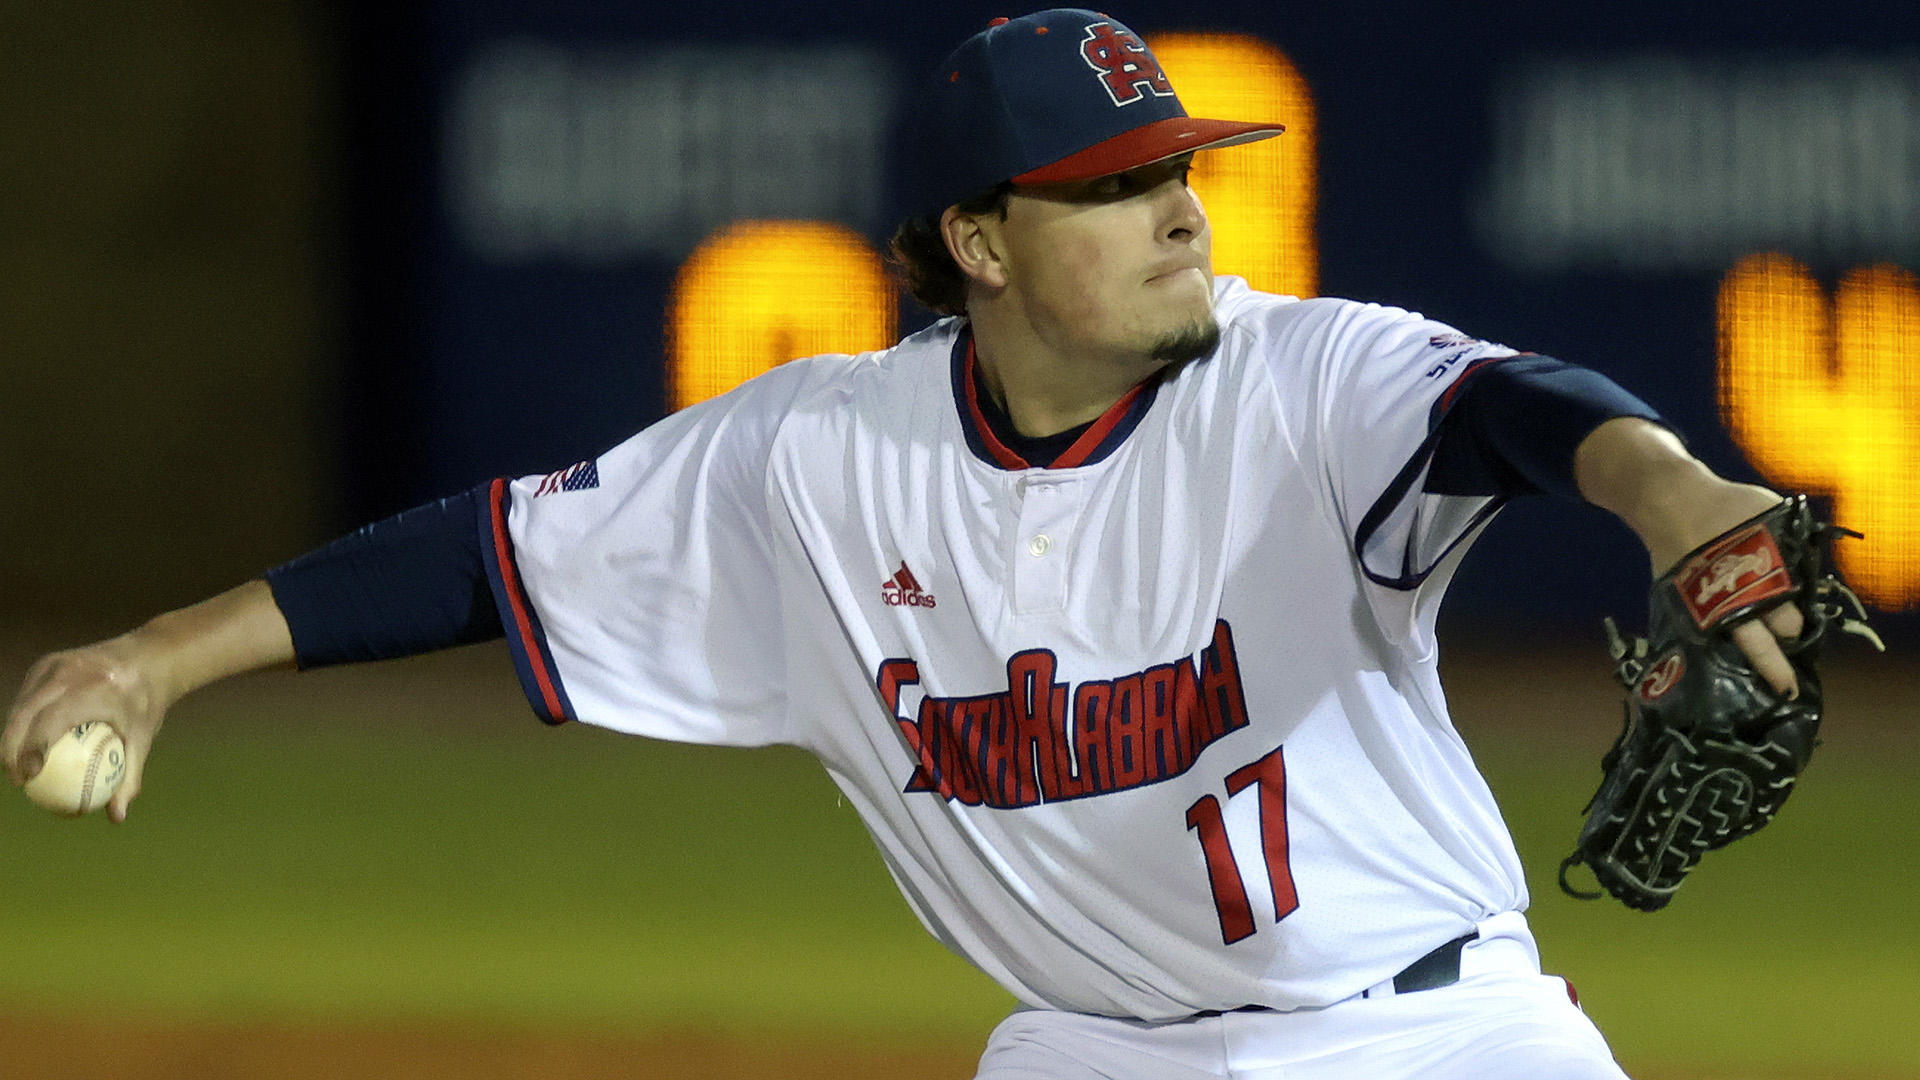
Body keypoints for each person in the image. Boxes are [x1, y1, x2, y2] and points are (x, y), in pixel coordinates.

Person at [5, 10, 1806, 1078]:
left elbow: (1514, 403)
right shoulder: (818, 458)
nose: (1179, 210)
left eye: (1178, 168)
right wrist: (157, 656)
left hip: (1424, 1043)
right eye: (1110, 188)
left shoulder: (1295, 377)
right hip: (1090, 1052)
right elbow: (487, 556)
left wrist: (1671, 493)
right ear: (979, 243)